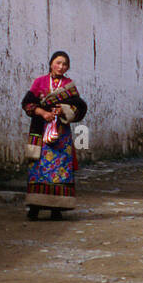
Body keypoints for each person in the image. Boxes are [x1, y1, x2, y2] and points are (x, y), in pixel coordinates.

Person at [21, 51, 87, 220]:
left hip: (60, 136)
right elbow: (27, 103)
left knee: (60, 170)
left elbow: (79, 107)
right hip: (41, 132)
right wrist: (43, 113)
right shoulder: (40, 82)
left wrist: (63, 110)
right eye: (58, 63)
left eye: (65, 64)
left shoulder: (69, 85)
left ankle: (57, 208)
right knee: (38, 168)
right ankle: (35, 207)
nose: (61, 66)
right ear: (51, 64)